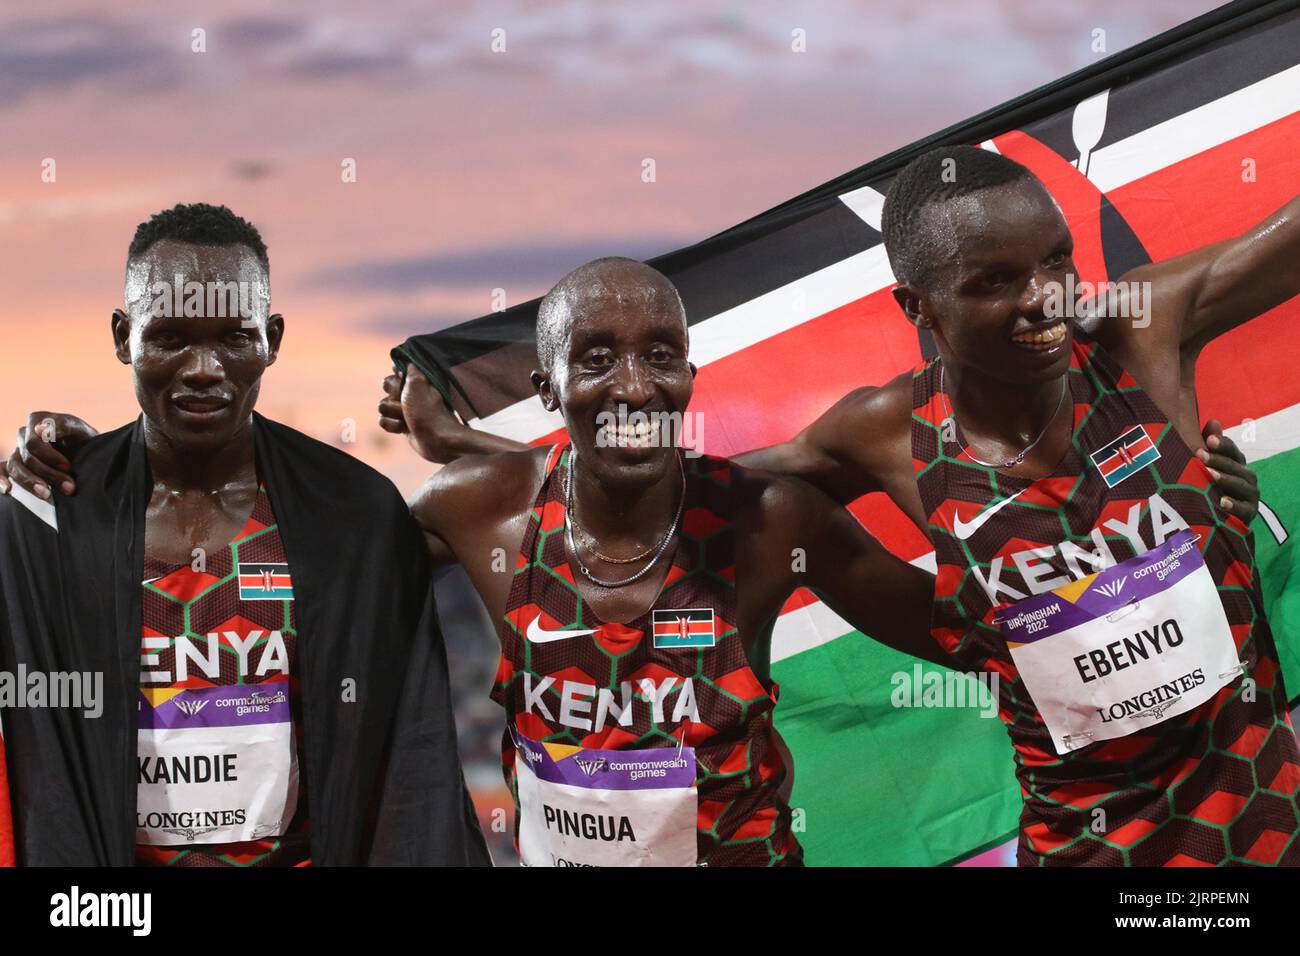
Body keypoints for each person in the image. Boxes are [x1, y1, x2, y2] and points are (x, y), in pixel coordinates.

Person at [368, 148, 1292, 867]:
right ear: (917, 307)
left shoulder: (1140, 329)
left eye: (1057, 261)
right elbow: (673, 475)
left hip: (1270, 812)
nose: (1045, 300)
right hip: (1089, 844)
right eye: (993, 282)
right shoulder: (882, 434)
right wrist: (479, 455)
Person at [0, 203, 488, 866]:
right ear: (123, 337)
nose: (203, 368)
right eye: (170, 337)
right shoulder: (53, 514)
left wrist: (457, 437)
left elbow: (407, 760)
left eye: (233, 336)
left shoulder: (352, 515)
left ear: (272, 338)